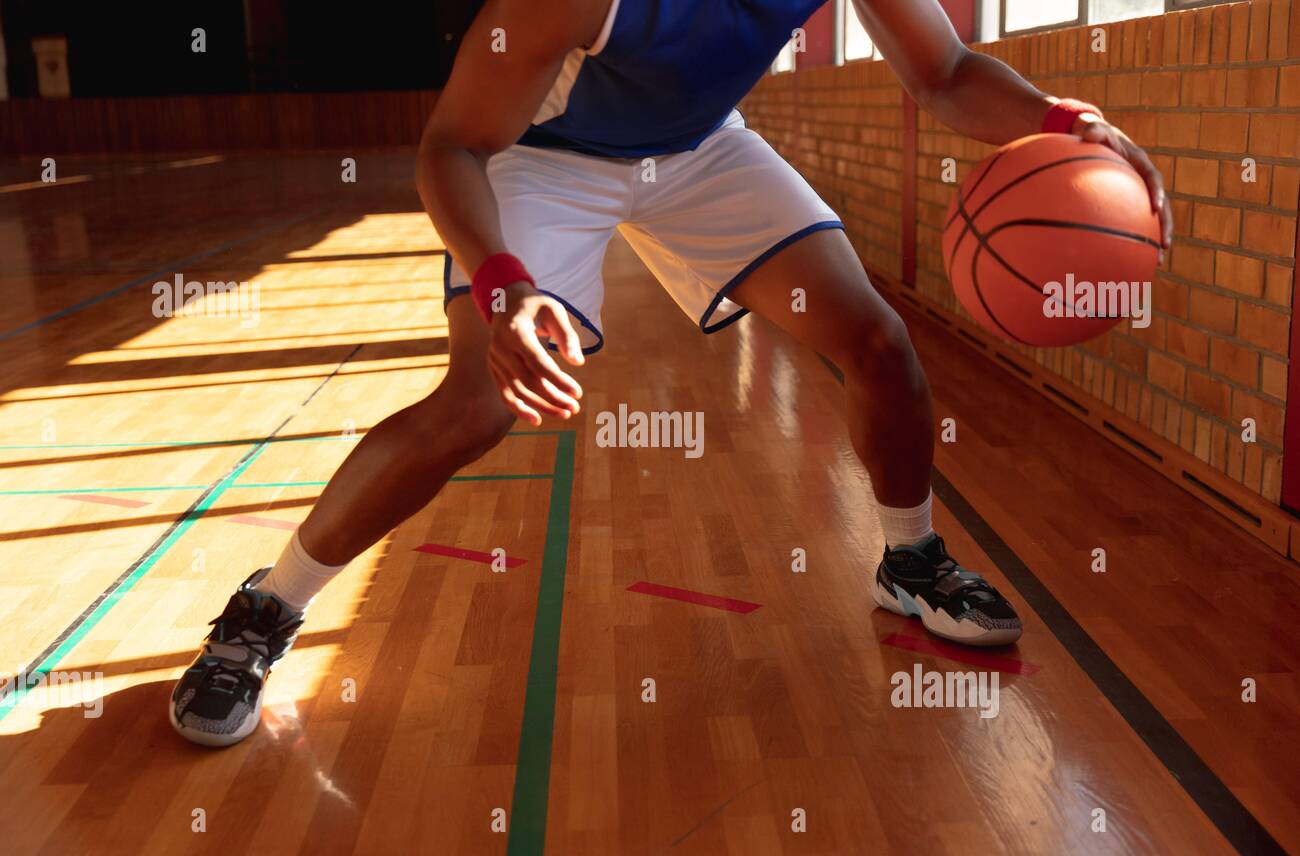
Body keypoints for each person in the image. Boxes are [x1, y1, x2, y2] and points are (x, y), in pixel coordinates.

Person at [170, 0, 1173, 746]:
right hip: (537, 158)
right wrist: (504, 283)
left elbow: (944, 70)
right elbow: (453, 146)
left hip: (698, 152)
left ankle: (908, 558)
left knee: (877, 342)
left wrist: (1053, 123)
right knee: (477, 404)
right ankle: (267, 609)